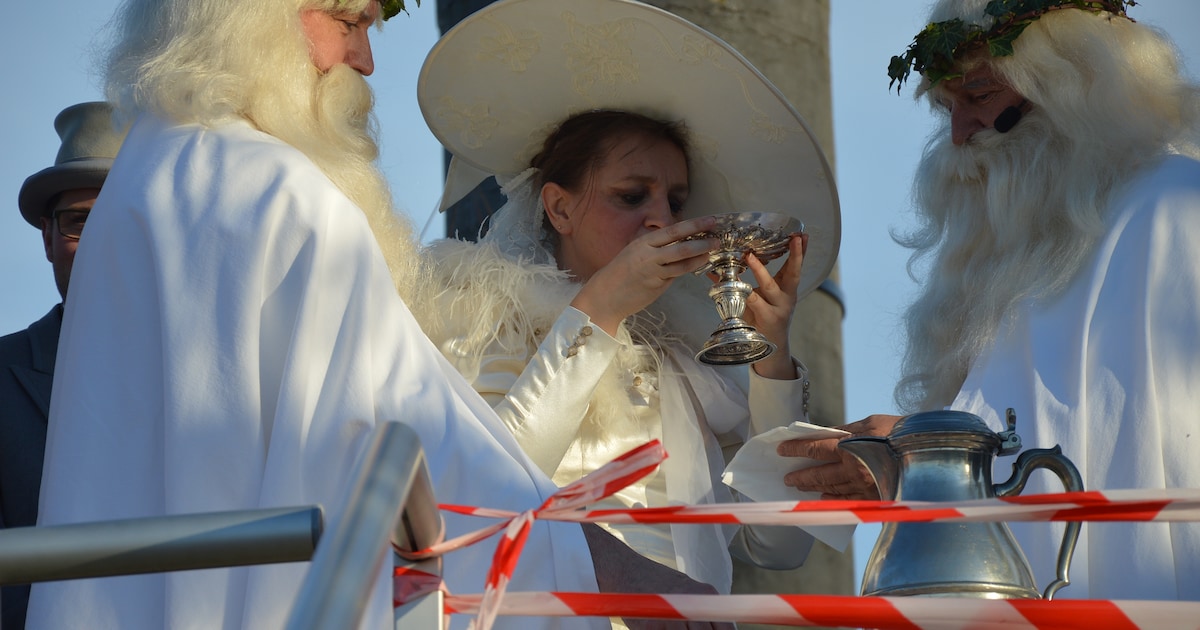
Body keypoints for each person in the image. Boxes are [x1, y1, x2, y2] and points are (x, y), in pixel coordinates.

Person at [25, 1, 732, 629]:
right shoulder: (282, 193)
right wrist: (601, 560)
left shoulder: (143, 180)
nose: (363, 60)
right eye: (349, 21)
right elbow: (404, 444)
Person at [409, 0, 842, 602]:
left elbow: (780, 547)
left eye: (675, 201)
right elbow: (478, 497)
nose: (662, 219)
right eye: (632, 196)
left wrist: (771, 361)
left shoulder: (684, 368)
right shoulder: (478, 317)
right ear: (560, 207)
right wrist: (600, 312)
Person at [781, 0, 1200, 601]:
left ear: (1073, 85)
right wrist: (918, 458)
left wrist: (928, 456)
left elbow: (1137, 438)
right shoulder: (1020, 256)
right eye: (946, 108)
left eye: (978, 95)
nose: (958, 135)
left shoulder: (1173, 205)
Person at [0, 101, 125, 630]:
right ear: (47, 239)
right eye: (79, 222)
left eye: (121, 220)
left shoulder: (219, 372)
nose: (97, 241)